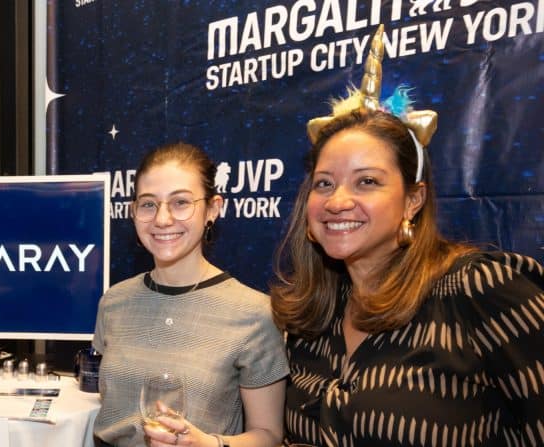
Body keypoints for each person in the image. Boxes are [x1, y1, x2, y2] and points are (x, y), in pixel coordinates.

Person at [271, 26, 544, 446]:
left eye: (367, 182)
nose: (338, 200)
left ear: (413, 200)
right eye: (324, 184)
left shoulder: (481, 291)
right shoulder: (313, 317)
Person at [92, 142, 288, 447]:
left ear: (213, 209)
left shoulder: (255, 314)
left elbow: (269, 435)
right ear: (133, 213)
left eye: (181, 202)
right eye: (148, 204)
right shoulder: (114, 302)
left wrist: (208, 445)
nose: (162, 219)